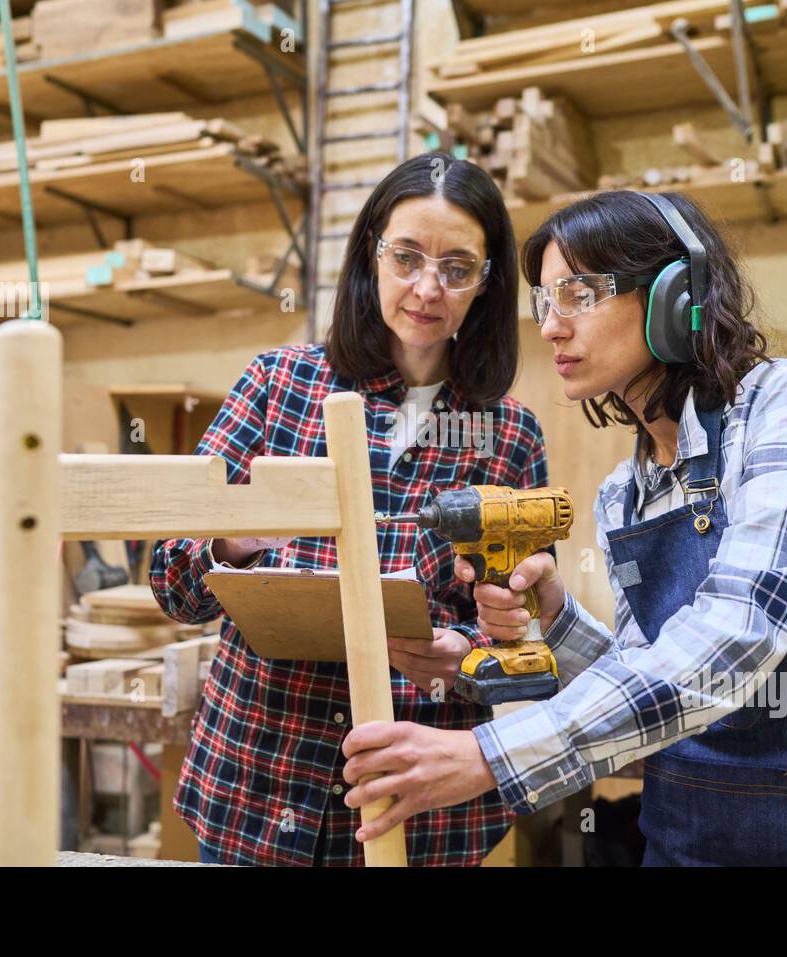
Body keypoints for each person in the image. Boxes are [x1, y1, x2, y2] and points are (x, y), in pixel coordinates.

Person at [341, 190, 787, 866]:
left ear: (674, 293)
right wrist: (556, 614)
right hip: (680, 837)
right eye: (545, 302)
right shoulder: (624, 493)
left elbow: (737, 632)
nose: (550, 327)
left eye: (577, 294)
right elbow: (652, 676)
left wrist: (492, 754)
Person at [150, 152, 549, 866]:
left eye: (458, 268)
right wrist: (234, 540)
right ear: (372, 255)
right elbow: (170, 582)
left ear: (485, 285)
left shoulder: (509, 434)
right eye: (407, 257)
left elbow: (523, 646)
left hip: (419, 806)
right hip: (261, 788)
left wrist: (467, 655)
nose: (428, 287)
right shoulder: (279, 384)